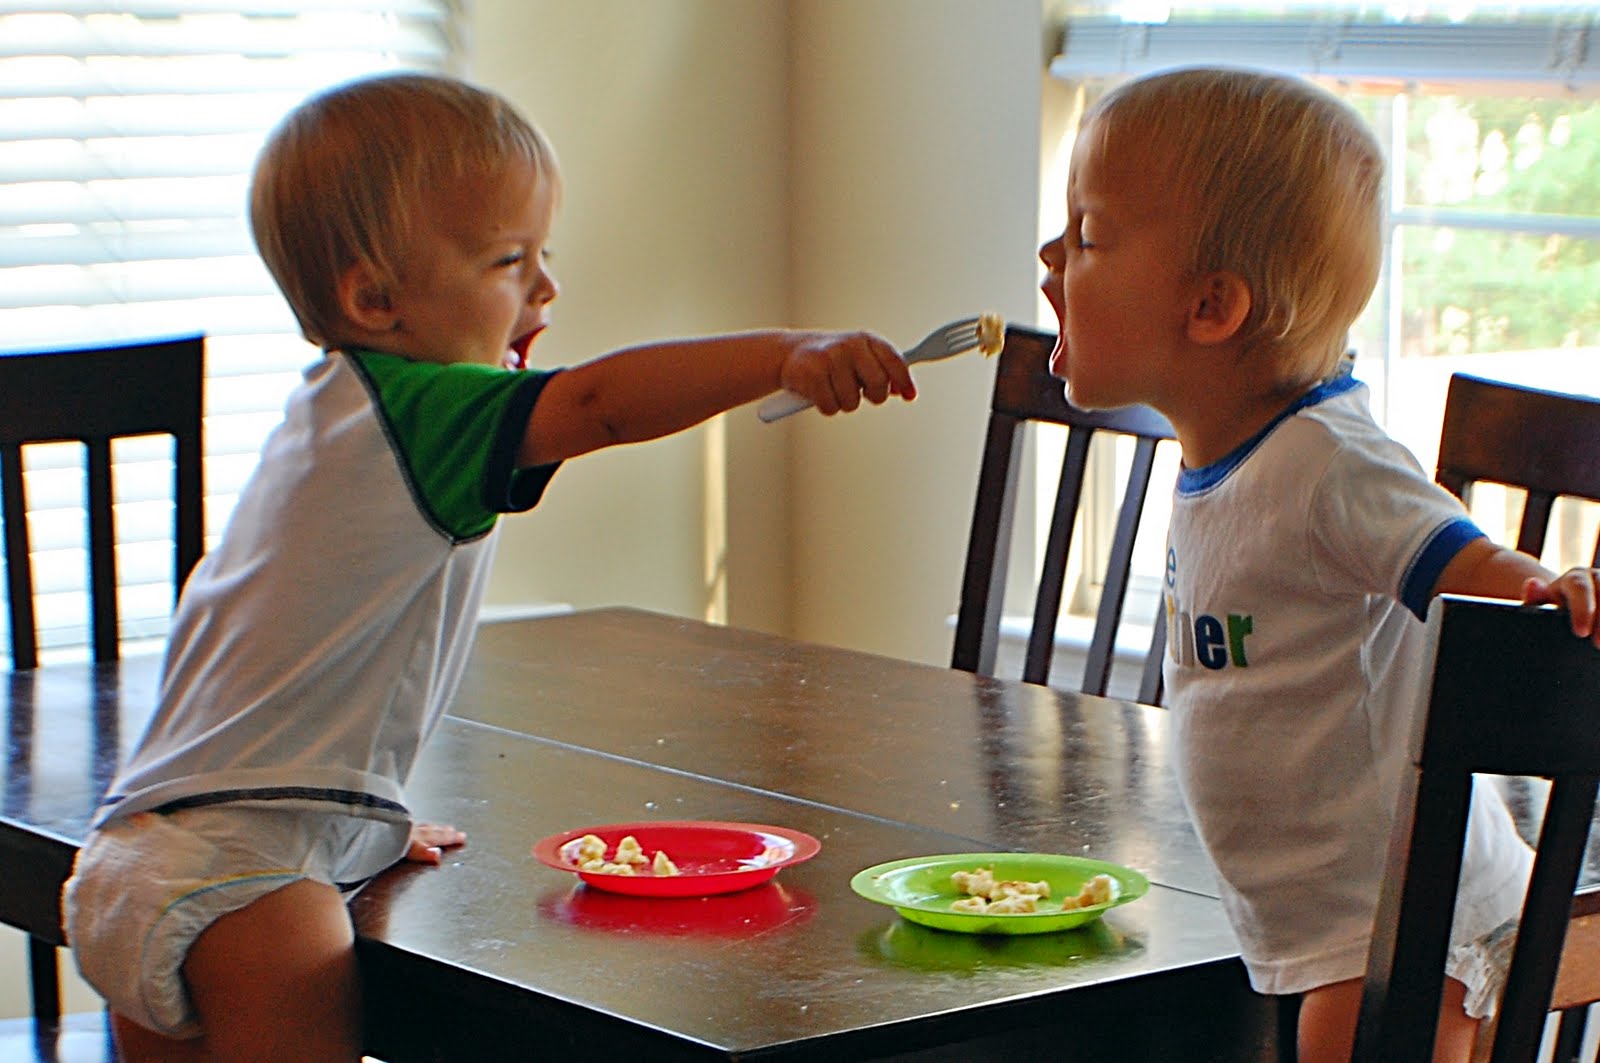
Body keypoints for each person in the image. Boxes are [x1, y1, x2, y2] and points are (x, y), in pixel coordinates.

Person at [61, 71, 916, 1063]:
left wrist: (356, 822)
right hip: (246, 883)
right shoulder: (426, 411)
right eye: (510, 260)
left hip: (138, 852)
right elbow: (599, 404)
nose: (546, 288)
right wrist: (783, 353)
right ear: (373, 297)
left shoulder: (331, 416)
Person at [1037, 65, 1600, 1063]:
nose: (1049, 256)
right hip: (1328, 923)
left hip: (1415, 923)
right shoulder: (1227, 454)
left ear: (1210, 306)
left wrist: (1551, 590)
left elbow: (1466, 566)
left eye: (1086, 235)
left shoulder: (1326, 458)